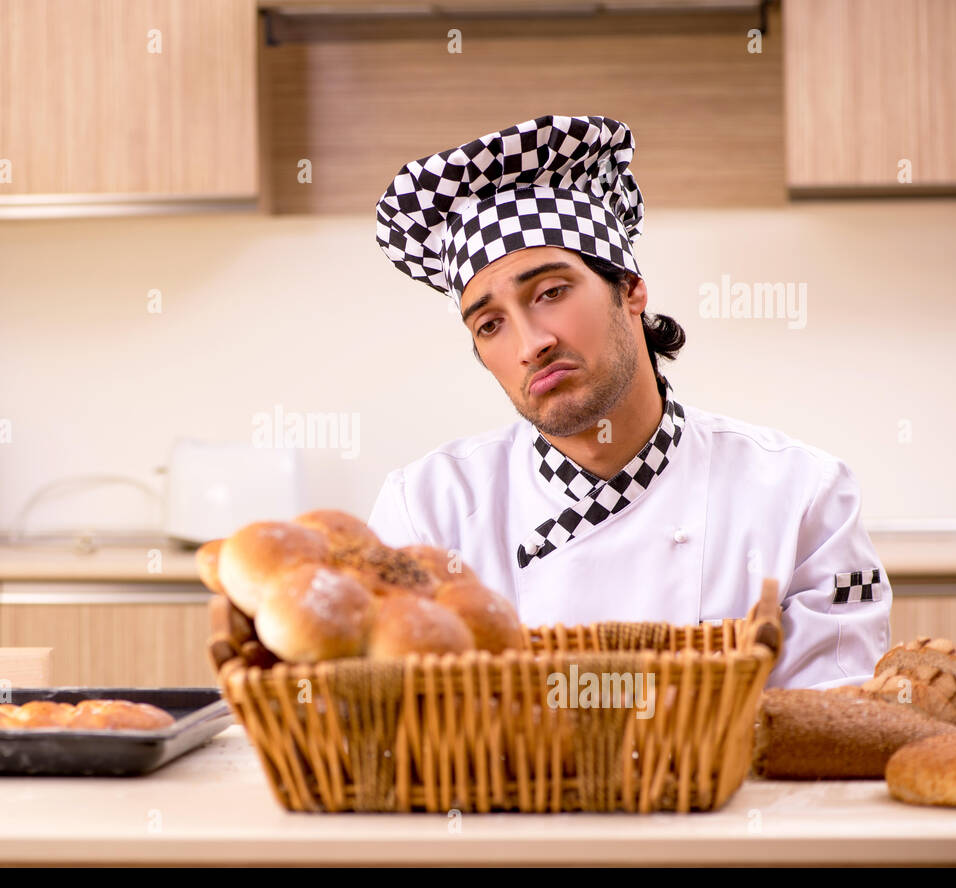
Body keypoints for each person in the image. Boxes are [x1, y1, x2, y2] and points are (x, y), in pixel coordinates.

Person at [368, 114, 888, 689]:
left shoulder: (803, 497)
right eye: (490, 325)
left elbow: (832, 729)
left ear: (630, 288)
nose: (530, 344)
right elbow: (385, 720)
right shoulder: (424, 511)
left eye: (550, 293)